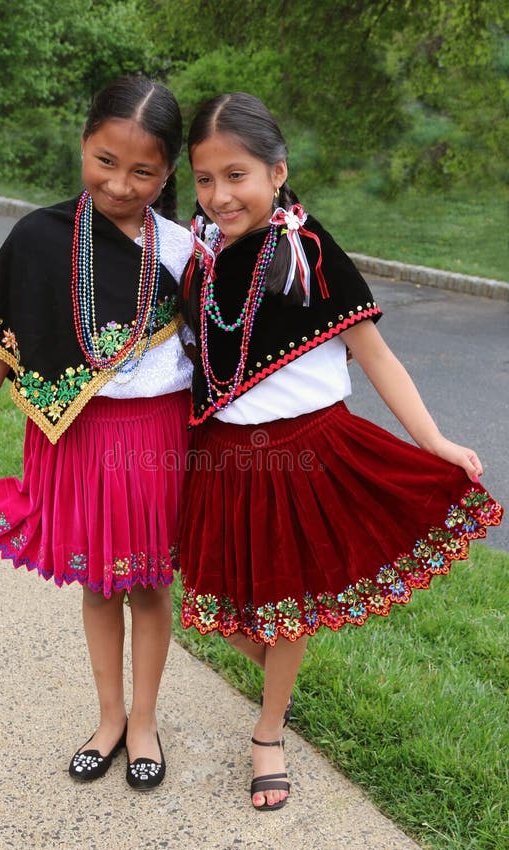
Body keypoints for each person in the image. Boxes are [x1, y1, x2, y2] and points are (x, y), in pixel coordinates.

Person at [178, 92, 503, 811]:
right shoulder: (201, 257)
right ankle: (279, 685)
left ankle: (268, 731)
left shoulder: (309, 252)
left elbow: (377, 357)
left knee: (283, 601)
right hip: (222, 459)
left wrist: (435, 440)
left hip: (304, 452)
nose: (220, 194)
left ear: (277, 169)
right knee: (218, 608)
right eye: (205, 178)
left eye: (237, 175)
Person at [0, 75, 194, 791]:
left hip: (155, 438)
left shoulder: (182, 252)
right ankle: (109, 716)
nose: (120, 183)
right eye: (104, 161)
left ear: (168, 172)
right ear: (84, 146)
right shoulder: (38, 236)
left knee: (147, 584)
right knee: (96, 581)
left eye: (143, 170)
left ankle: (145, 720)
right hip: (76, 438)